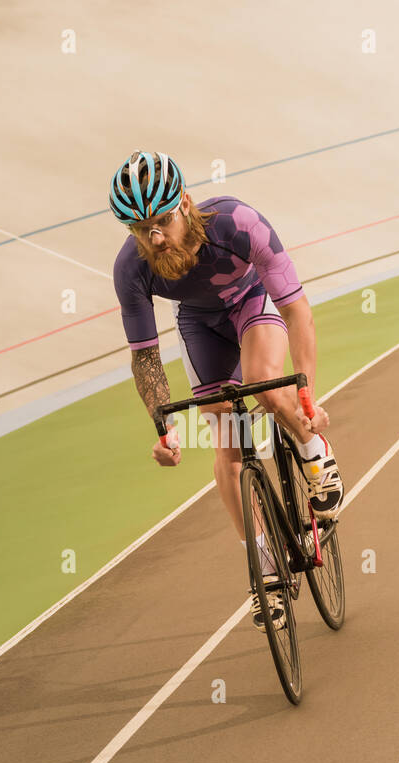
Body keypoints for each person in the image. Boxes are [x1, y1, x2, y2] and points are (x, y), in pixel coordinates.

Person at [108, 149, 344, 628]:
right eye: (139, 229)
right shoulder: (131, 268)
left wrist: (307, 399)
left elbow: (297, 310)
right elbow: (146, 357)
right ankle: (266, 568)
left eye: (161, 222)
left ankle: (314, 451)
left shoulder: (238, 223)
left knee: (261, 381)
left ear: (187, 204)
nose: (153, 238)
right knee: (227, 444)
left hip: (250, 305)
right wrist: (165, 428)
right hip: (198, 326)